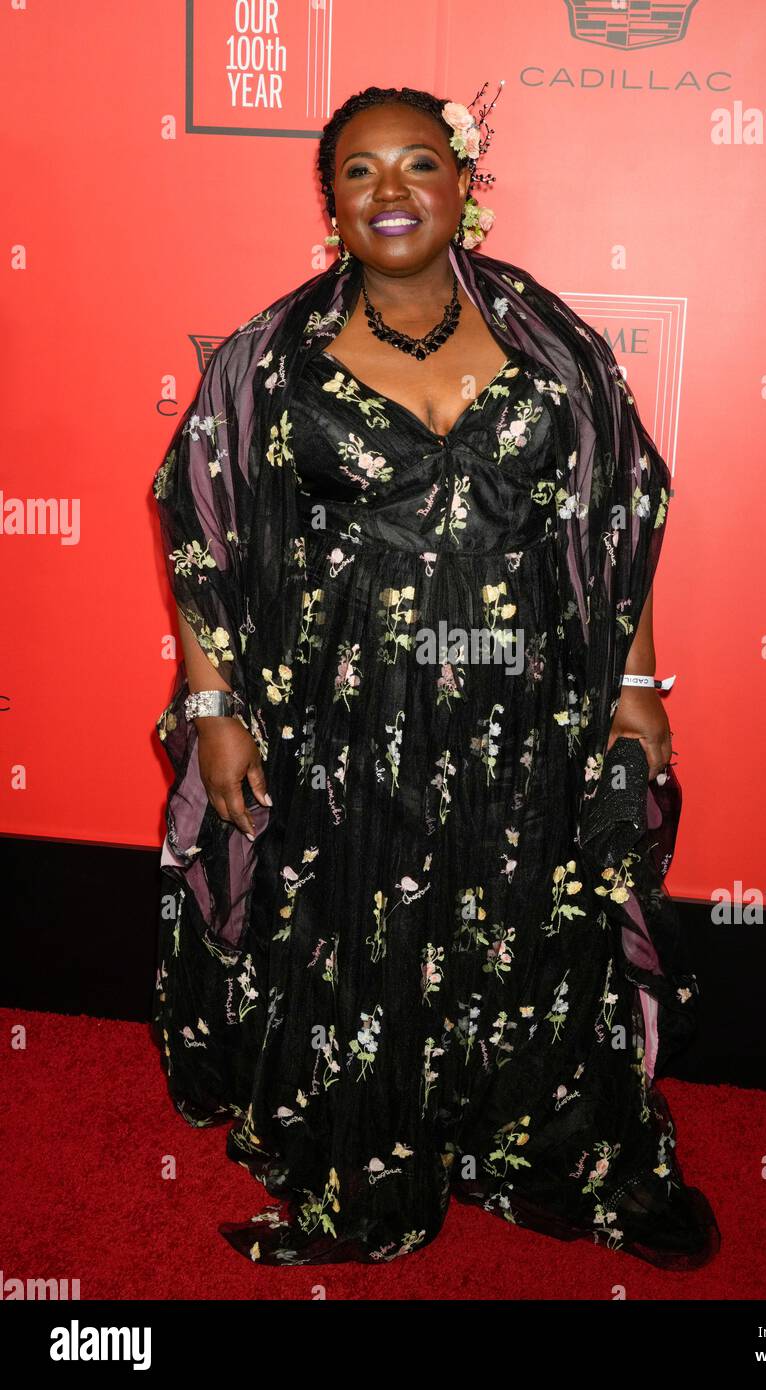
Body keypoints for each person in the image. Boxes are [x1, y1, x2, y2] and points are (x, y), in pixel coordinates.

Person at [151, 82, 720, 1269]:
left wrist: (635, 689)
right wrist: (215, 710)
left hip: (528, 706)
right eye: (360, 171)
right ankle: (370, 1156)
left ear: (466, 185)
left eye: (419, 164)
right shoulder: (271, 359)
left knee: (531, 927)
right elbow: (202, 535)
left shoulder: (548, 339)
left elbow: (616, 520)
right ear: (331, 201)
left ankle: (536, 1138)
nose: (392, 191)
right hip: (349, 711)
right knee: (358, 933)